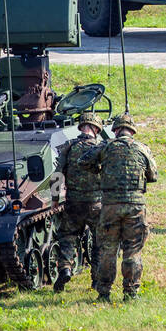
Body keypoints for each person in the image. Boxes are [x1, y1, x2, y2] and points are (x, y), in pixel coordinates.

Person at [78, 113, 157, 302]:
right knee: (133, 251)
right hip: (136, 207)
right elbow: (153, 175)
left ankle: (104, 293)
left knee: (107, 250)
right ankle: (131, 293)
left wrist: (100, 169)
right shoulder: (142, 148)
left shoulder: (106, 146)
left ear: (115, 131)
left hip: (110, 206)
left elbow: (83, 161)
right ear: (133, 131)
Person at [53, 112, 105, 293]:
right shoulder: (101, 147)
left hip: (73, 202)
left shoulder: (69, 146)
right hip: (97, 203)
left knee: (68, 237)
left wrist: (54, 200)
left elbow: (57, 175)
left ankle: (65, 268)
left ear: (81, 127)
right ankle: (97, 280)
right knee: (99, 241)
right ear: (97, 129)